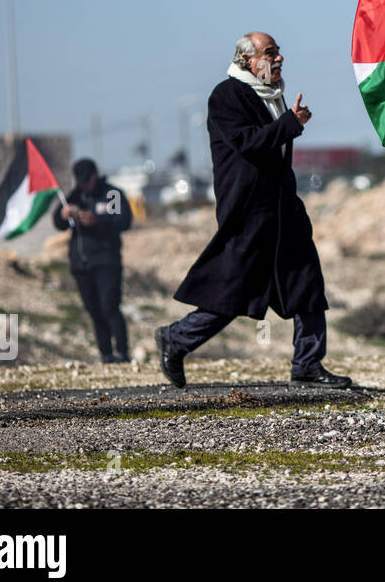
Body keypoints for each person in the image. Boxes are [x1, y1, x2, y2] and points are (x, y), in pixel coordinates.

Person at [155, 33, 352, 389]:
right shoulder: (228, 96)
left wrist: (290, 123)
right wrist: (291, 124)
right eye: (270, 53)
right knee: (233, 290)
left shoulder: (271, 96)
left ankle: (308, 363)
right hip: (249, 212)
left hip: (283, 209)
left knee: (306, 283)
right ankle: (176, 339)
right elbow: (248, 143)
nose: (279, 59)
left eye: (278, 53)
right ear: (248, 60)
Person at [53, 159, 133, 362]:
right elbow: (58, 222)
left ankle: (122, 353)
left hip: (107, 260)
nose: (83, 185)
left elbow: (124, 221)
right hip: (81, 264)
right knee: (94, 309)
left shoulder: (111, 194)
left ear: (95, 175)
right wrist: (63, 215)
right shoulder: (75, 195)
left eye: (86, 181)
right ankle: (106, 354)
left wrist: (98, 221)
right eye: (79, 181)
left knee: (110, 306)